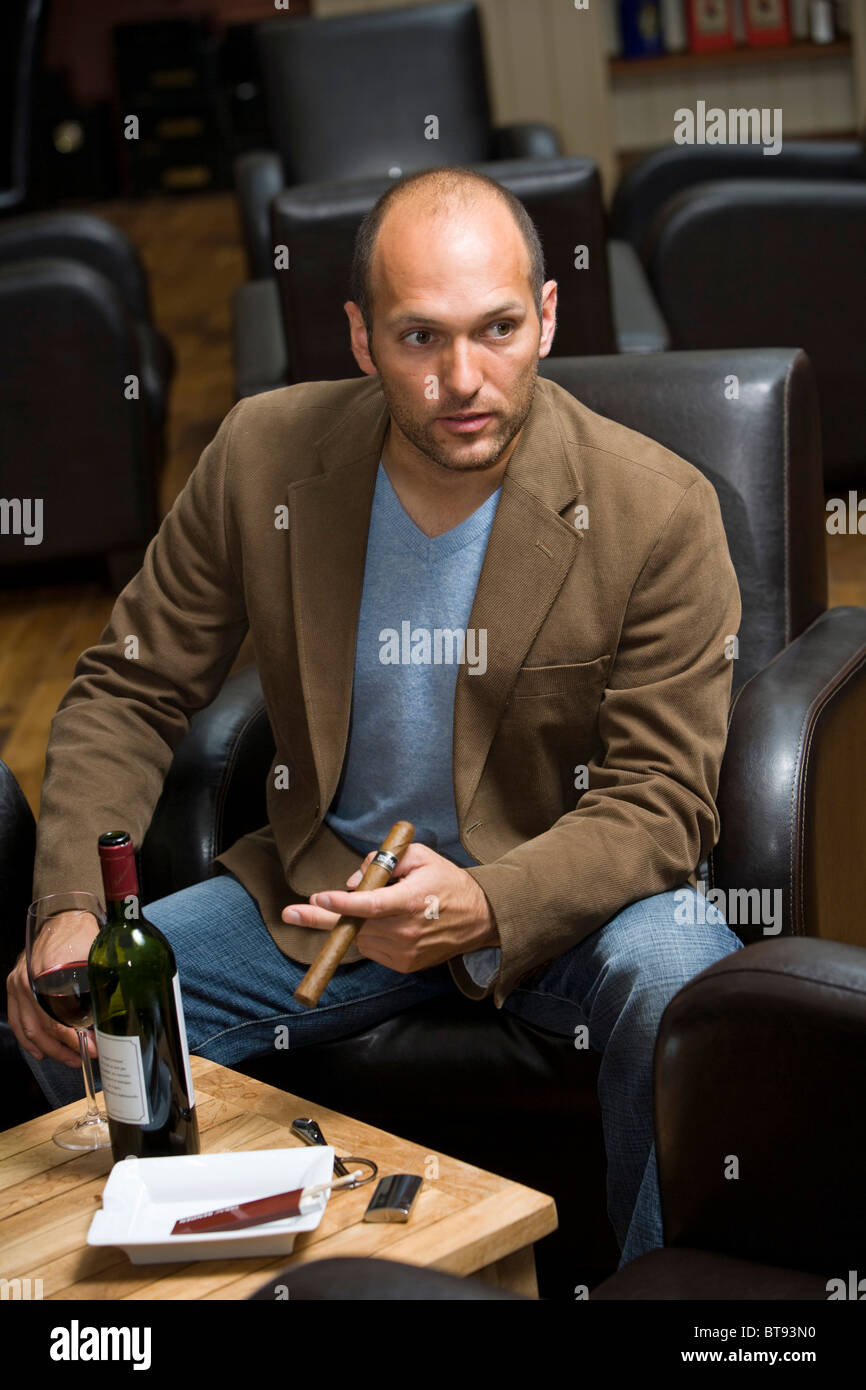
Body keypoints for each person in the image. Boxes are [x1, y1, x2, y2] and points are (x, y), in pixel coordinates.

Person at [8, 165, 743, 1268]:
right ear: (358, 337)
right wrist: (68, 908)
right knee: (83, 1020)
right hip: (326, 894)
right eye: (418, 338)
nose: (463, 379)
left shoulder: (658, 509)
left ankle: (660, 1308)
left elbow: (660, 807)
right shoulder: (262, 454)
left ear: (546, 316)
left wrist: (484, 903)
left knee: (679, 976)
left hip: (564, 902)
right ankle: (222, 1285)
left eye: (497, 329)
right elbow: (131, 682)